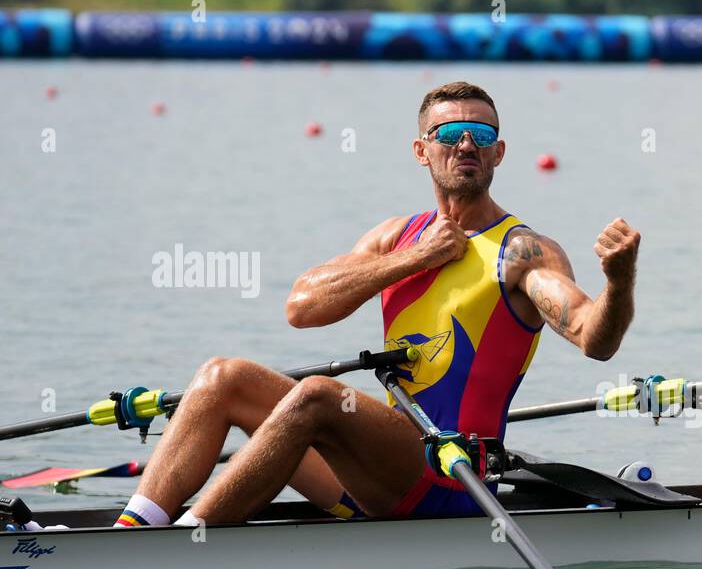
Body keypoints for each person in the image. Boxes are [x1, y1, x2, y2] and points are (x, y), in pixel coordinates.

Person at [115, 81, 640, 527]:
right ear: (421, 150)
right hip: (377, 472)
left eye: (481, 135)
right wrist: (414, 259)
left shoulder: (523, 252)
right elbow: (302, 307)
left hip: (450, 480)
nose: (465, 144)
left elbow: (596, 340)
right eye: (448, 135)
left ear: (498, 152)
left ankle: (183, 545)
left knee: (318, 396)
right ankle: (133, 530)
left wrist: (618, 281)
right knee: (220, 377)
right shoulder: (397, 237)